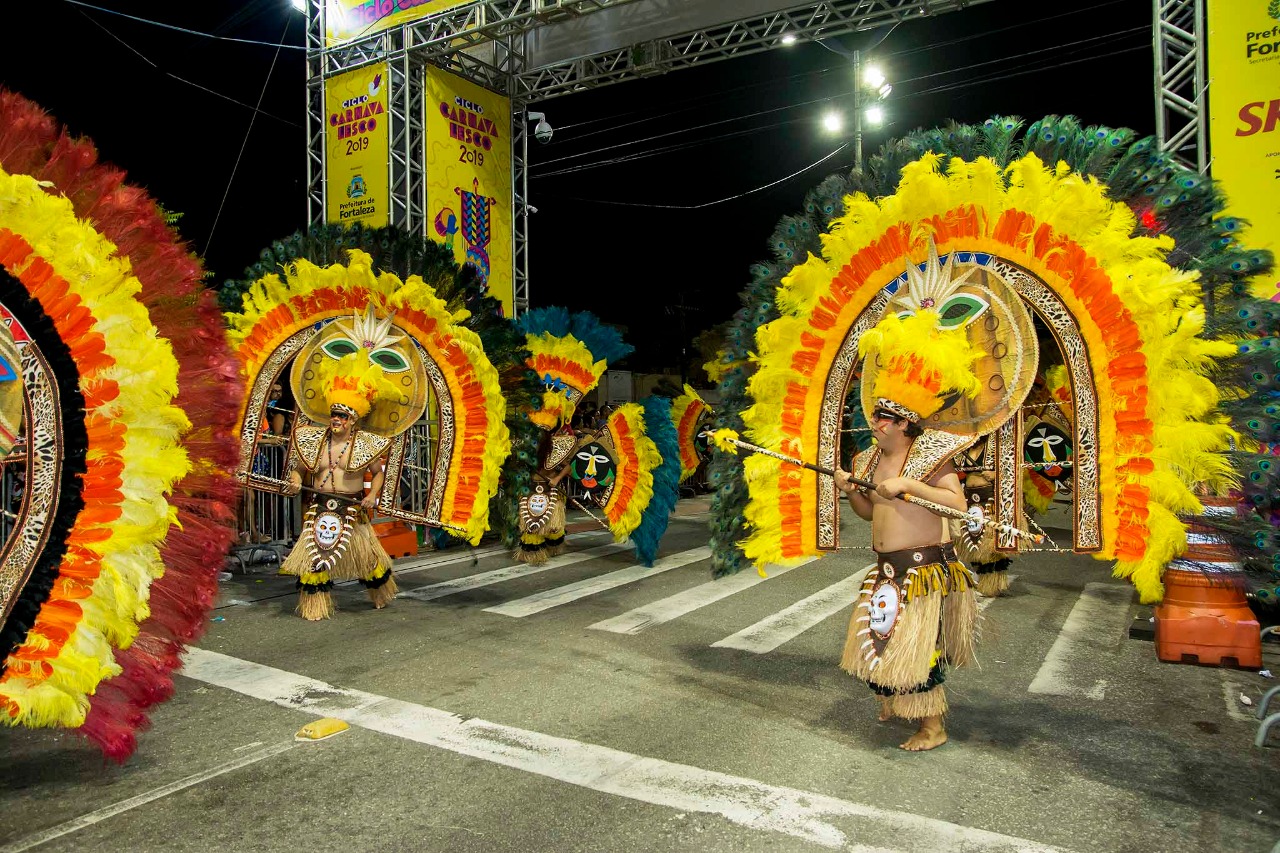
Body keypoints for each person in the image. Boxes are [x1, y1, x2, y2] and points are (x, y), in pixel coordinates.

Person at [832, 310, 982, 752]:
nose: (874, 424)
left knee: (917, 647)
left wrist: (908, 485)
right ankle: (896, 702)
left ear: (904, 423)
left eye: (883, 419)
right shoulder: (868, 461)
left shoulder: (931, 457)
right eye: (875, 417)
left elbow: (956, 504)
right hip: (885, 567)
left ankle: (933, 726)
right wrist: (850, 491)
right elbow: (868, 513)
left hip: (923, 568)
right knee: (880, 639)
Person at [279, 385, 396, 620]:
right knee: (313, 558)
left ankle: (380, 593)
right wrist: (295, 480)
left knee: (368, 558)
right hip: (320, 508)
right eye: (334, 414)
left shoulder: (362, 445)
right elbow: (299, 469)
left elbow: (378, 473)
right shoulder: (317, 442)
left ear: (352, 420)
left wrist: (372, 494)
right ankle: (315, 607)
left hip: (351, 507)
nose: (336, 419)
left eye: (342, 416)